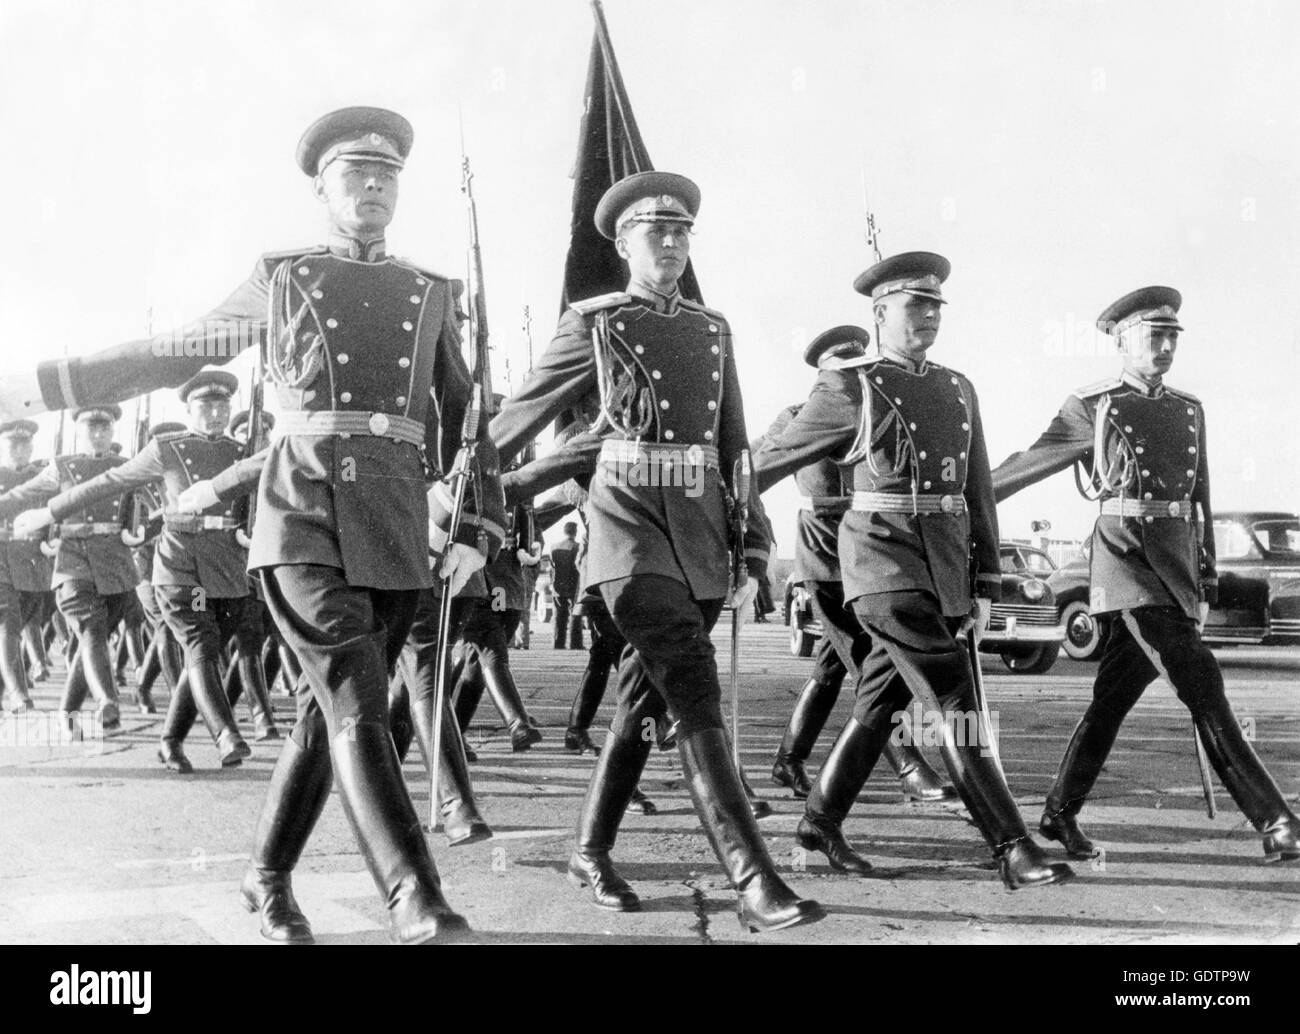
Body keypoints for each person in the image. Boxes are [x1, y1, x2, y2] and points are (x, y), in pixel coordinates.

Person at [0, 107, 504, 943]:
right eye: (354, 173)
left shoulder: (430, 293)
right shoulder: (283, 282)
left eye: (386, 175)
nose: (373, 186)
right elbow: (173, 349)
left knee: (331, 711)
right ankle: (415, 896)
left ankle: (264, 878)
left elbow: (468, 416)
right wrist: (38, 389)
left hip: (396, 524)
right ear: (321, 188)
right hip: (301, 511)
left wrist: (474, 530)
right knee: (354, 696)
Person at [490, 171, 822, 932]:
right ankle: (754, 879)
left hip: (701, 537)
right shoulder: (596, 324)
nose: (671, 243)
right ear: (623, 243)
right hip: (628, 533)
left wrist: (753, 539)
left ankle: (590, 849)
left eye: (681, 232)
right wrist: (460, 485)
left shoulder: (713, 330)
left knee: (645, 699)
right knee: (692, 687)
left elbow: (735, 446)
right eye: (655, 231)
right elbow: (520, 414)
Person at [752, 252, 1073, 889]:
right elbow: (763, 462)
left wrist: (984, 582)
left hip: (946, 567)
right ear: (878, 314)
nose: (928, 316)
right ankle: (1011, 845)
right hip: (880, 564)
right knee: (954, 697)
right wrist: (734, 534)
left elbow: (977, 491)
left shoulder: (958, 388)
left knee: (879, 703)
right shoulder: (851, 384)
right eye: (913, 306)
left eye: (935, 306)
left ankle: (819, 821)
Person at [992, 285, 1299, 863]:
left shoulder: (1189, 408)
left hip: (1177, 568)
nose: (1163, 348)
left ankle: (1059, 814)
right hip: (1128, 567)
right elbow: (1028, 464)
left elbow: (1200, 499)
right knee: (1203, 682)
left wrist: (1204, 579)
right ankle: (1277, 820)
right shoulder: (1095, 405)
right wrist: (968, 503)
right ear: (1122, 341)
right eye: (1152, 337)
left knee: (1112, 700)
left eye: (1171, 338)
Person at [12, 371, 283, 769]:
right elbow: (109, 481)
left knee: (200, 663)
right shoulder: (166, 449)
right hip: (180, 565)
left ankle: (170, 740)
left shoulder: (243, 451)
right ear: (188, 409)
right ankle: (227, 733)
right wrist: (48, 511)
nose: (215, 414)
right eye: (205, 406)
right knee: (201, 647)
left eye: (222, 405)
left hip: (227, 568)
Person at [758, 327, 953, 807]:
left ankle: (788, 759)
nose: (851, 368)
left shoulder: (877, 405)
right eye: (839, 363)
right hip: (826, 555)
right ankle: (908, 767)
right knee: (869, 666)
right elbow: (748, 464)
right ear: (823, 371)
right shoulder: (798, 417)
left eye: (856, 359)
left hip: (871, 554)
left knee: (831, 666)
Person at [0, 407, 141, 734]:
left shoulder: (126, 467)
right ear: (78, 430)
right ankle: (107, 700)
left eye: (104, 429)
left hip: (116, 565)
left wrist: (143, 528)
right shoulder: (61, 467)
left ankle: (68, 710)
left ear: (112, 430)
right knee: (90, 626)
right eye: (90, 429)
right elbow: (25, 493)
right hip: (72, 560)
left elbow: (157, 500)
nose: (97, 435)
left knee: (96, 635)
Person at [0, 420, 49, 712]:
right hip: (1, 556)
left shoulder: (41, 477)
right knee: (9, 622)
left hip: (33, 559)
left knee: (27, 620)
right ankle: (20, 693)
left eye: (24, 444)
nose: (19, 450)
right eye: (12, 445)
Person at [547, 521, 583, 649]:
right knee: (575, 614)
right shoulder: (578, 547)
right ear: (575, 532)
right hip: (574, 585)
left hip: (558, 585)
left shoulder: (554, 547)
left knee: (558, 615)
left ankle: (558, 643)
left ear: (564, 531)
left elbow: (551, 567)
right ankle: (575, 643)